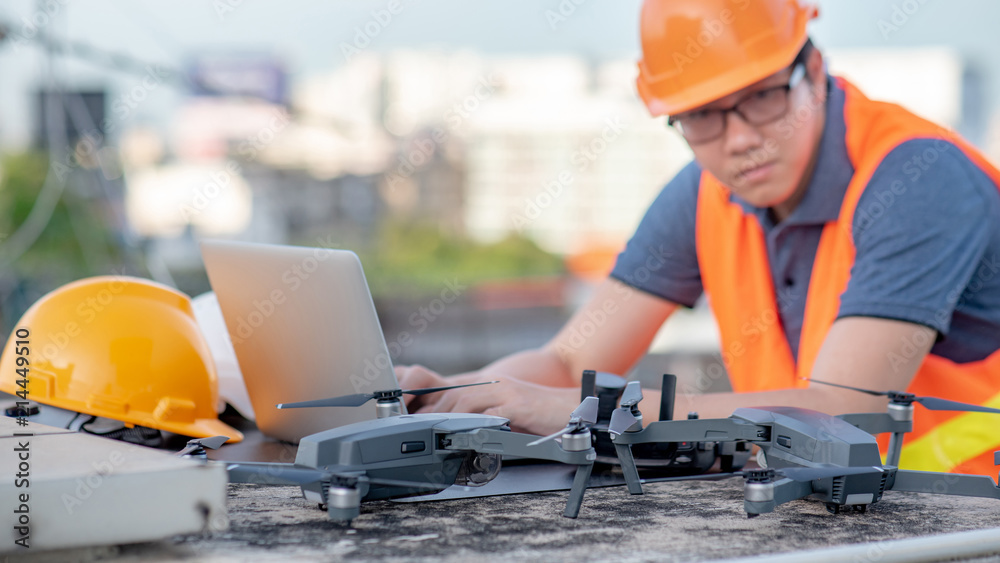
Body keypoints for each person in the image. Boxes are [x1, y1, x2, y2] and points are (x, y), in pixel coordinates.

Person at [397, 0, 1000, 475]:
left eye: (762, 98)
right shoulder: (705, 191)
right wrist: (459, 397)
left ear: (814, 72)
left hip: (969, 516)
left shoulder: (920, 179)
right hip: (830, 511)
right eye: (703, 115)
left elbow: (845, 409)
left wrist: (588, 413)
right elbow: (570, 359)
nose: (738, 139)